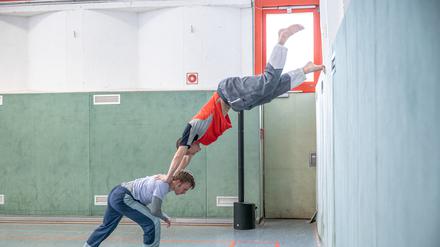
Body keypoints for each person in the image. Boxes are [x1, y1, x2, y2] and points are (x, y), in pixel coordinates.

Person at [163, 24, 325, 184]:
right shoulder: (199, 140)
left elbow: (180, 156)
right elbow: (185, 160)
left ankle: (281, 40)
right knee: (268, 94)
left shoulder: (192, 129)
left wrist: (168, 177)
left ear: (187, 146)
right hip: (236, 102)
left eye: (189, 152)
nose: (193, 154)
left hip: (228, 91)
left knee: (267, 82)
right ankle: (304, 70)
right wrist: (176, 176)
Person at [83, 170, 195, 247]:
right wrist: (164, 217)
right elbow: (155, 210)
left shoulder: (167, 182)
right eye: (185, 189)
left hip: (116, 192)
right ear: (178, 183)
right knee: (153, 222)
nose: (184, 193)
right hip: (124, 197)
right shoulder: (163, 185)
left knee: (106, 226)